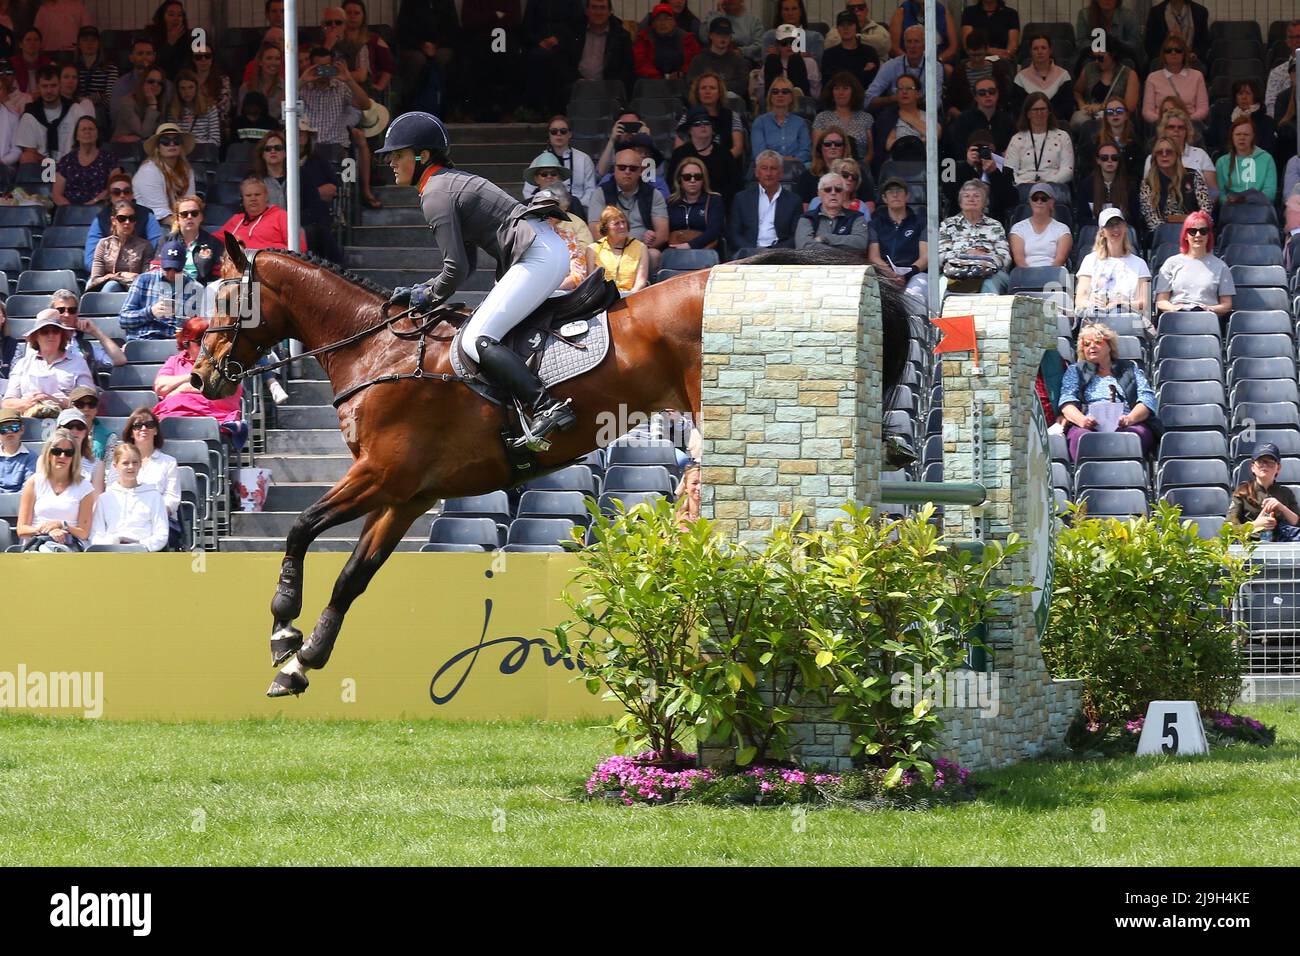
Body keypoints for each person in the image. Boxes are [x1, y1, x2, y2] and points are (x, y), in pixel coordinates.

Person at [376, 112, 577, 451]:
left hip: (538, 254)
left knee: (476, 339)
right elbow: (466, 266)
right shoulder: (446, 182)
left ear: (422, 156)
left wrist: (429, 295)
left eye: (397, 155)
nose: (391, 163)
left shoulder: (435, 194)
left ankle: (546, 405)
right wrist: (425, 288)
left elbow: (454, 270)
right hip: (544, 249)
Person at [1059, 322, 1157, 462]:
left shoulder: (1129, 368)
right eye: (1086, 344)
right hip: (1088, 423)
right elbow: (1066, 401)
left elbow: (1147, 399)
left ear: (1110, 346)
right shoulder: (1075, 370)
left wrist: (1130, 419)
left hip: (1127, 423)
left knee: (1135, 436)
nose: (1092, 346)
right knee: (1081, 438)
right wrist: (1082, 420)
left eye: (1098, 342)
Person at [300, 45, 382, 209]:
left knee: (346, 169)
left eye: (326, 67)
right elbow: (280, 107)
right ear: (311, 66)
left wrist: (349, 79)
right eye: (318, 68)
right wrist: (302, 79)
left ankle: (354, 200)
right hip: (309, 151)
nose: (323, 72)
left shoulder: (341, 87)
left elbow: (365, 105)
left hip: (338, 149)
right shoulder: (301, 88)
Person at [153, 317, 244, 433]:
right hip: (174, 418)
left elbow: (227, 389)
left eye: (209, 340)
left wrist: (181, 389)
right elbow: (160, 387)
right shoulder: (175, 361)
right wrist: (191, 377)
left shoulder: (222, 362)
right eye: (199, 341)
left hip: (211, 418)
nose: (205, 345)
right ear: (186, 343)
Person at [14, 427, 94, 552]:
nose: (62, 456)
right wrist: (48, 531)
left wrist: (62, 525)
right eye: (57, 451)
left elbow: (84, 533)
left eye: (68, 453)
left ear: (74, 457)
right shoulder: (34, 482)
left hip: (70, 546)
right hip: (37, 544)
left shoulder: (85, 488)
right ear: (49, 454)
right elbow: (22, 529)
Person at [1, 312, 93, 416]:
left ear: (62, 335)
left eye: (55, 331)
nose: (51, 335)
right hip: (27, 423)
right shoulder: (23, 364)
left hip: (66, 424)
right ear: (36, 336)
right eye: (44, 331)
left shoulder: (78, 363)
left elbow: (89, 402)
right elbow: (7, 403)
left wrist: (57, 401)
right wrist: (27, 403)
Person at [594, 146, 670, 272]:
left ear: (640, 171)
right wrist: (619, 250)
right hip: (611, 249)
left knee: (655, 254)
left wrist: (640, 247)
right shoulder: (601, 193)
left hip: (643, 250)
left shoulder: (654, 194)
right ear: (614, 169)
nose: (627, 171)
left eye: (633, 168)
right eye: (622, 167)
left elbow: (662, 235)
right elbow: (596, 232)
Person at [118, 239, 204, 341]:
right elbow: (123, 319)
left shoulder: (195, 288)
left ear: (184, 263)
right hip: (143, 340)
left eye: (177, 269)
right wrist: (151, 312)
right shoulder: (143, 280)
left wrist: (185, 327)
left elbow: (200, 325)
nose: (171, 273)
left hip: (176, 344)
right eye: (167, 268)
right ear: (161, 261)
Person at [90, 441, 169, 551]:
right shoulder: (105, 499)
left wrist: (141, 545)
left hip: (144, 556)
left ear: (140, 464)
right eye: (125, 463)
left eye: (135, 462)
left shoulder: (154, 497)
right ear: (115, 466)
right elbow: (95, 534)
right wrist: (111, 544)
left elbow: (161, 534)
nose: (131, 467)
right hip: (111, 556)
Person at [1074, 207, 1150, 320]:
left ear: (1125, 227)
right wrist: (1090, 301)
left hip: (1128, 322)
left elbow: (1144, 304)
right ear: (1102, 232)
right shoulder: (1089, 261)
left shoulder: (1140, 264)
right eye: (1110, 225)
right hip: (1096, 321)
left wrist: (1123, 304)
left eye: (1119, 224)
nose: (1115, 229)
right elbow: (1080, 300)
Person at [1154, 212, 1233, 320]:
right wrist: (1174, 309)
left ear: (1209, 235)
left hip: (1206, 319)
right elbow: (1161, 301)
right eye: (1192, 231)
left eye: (1203, 231)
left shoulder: (1221, 266)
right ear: (1185, 236)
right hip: (1176, 318)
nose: (1198, 235)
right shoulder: (1171, 263)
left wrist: (1209, 309)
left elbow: (1226, 305)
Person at [108, 406, 180, 525]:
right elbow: (111, 490)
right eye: (137, 425)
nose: (143, 428)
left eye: (149, 424)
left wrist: (155, 514)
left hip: (159, 520)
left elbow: (172, 498)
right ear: (131, 432)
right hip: (123, 518)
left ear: (156, 430)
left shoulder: (169, 462)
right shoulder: (119, 461)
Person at [938, 178, 1010, 294]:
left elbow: (1005, 258)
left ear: (985, 202)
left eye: (977, 196)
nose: (971, 199)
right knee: (941, 287)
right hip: (954, 272)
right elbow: (941, 256)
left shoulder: (995, 225)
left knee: (988, 287)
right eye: (966, 196)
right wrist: (967, 256)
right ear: (960, 202)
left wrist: (984, 260)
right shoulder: (948, 224)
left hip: (990, 274)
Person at [82, 173, 164, 273]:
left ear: (132, 194)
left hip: (140, 272)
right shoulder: (100, 219)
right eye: (116, 192)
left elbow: (158, 249)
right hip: (107, 274)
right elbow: (90, 260)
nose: (122, 195)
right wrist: (117, 275)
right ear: (110, 196)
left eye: (127, 191)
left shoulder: (146, 215)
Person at [726, 149, 801, 258]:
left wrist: (773, 252)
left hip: (780, 254)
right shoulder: (741, 198)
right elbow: (734, 234)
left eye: (773, 168)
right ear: (756, 172)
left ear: (781, 173)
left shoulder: (794, 200)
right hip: (748, 253)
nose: (769, 173)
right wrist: (753, 251)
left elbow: (796, 236)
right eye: (764, 168)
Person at [522, 116, 599, 214]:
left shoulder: (584, 159)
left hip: (577, 209)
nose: (558, 134)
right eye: (554, 131)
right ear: (549, 135)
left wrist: (574, 206)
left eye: (563, 131)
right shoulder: (538, 161)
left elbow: (590, 191)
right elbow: (528, 192)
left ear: (570, 134)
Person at [869, 176, 927, 303]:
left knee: (914, 296)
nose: (895, 194)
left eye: (899, 191)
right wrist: (890, 274)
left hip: (915, 273)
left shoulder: (921, 222)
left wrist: (907, 273)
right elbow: (874, 256)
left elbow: (925, 257)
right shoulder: (875, 224)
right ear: (884, 198)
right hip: (885, 274)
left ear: (907, 196)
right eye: (890, 192)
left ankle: (916, 324)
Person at [1228, 443, 1300, 541]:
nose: (1265, 465)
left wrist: (1282, 508)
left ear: (1278, 468)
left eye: (1270, 462)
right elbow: (1229, 528)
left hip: (1281, 547)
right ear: (1253, 467)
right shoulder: (1242, 493)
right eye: (1260, 462)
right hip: (1250, 547)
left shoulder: (1286, 493)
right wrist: (1255, 525)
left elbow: (1297, 523)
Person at [132, 122, 197, 230]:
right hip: (149, 228)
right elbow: (161, 215)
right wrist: (189, 227)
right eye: (165, 141)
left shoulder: (187, 170)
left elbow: (189, 204)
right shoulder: (149, 172)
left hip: (178, 223)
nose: (172, 144)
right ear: (158, 147)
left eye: (176, 141)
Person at [1139, 135, 1210, 232]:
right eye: (1160, 152)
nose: (1164, 155)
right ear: (1155, 157)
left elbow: (1205, 210)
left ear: (1177, 154)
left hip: (1193, 231)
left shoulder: (1193, 176)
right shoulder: (1147, 184)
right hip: (1163, 235)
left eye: (1169, 151)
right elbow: (1152, 220)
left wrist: (1191, 227)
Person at [668, 106, 738, 206]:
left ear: (712, 129)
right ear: (689, 130)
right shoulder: (680, 154)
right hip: (686, 206)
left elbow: (734, 184)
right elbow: (672, 183)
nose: (702, 126)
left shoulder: (724, 153)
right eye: (697, 124)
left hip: (720, 206)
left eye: (706, 123)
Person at [1142, 107, 1216, 199]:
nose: (1176, 130)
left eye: (1181, 127)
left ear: (1187, 131)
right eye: (1171, 127)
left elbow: (1214, 191)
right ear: (1164, 130)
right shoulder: (1152, 158)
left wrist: (1200, 211)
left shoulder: (1200, 155)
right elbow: (1147, 191)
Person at [942, 129, 1015, 221]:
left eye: (985, 149)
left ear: (993, 150)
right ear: (968, 150)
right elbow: (949, 194)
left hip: (993, 221)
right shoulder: (953, 168)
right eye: (976, 149)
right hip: (961, 220)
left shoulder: (1004, 170)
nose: (981, 153)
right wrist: (968, 166)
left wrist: (993, 173)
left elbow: (1010, 201)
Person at [1004, 91, 1073, 189]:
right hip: (1024, 187)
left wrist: (1047, 183)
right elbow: (1010, 172)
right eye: (1035, 110)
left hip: (1053, 187)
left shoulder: (1062, 136)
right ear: (1028, 114)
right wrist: (1026, 183)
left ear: (1049, 112)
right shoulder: (1017, 139)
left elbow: (1068, 171)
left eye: (1043, 109)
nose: (1039, 113)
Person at [15, 64, 80, 162]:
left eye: (53, 85)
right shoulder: (30, 114)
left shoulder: (75, 109)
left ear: (60, 85)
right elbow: (30, 152)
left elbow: (87, 144)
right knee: (26, 157)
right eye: (44, 86)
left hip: (71, 165)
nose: (49, 91)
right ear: (38, 87)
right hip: (42, 166)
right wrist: (51, 164)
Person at [1071, 36, 1137, 130]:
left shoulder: (1128, 74)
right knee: (1079, 120)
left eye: (1100, 58)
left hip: (1116, 116)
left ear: (1112, 54)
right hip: (1090, 116)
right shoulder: (1089, 68)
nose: (1097, 61)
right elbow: (1077, 91)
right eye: (1095, 58)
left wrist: (1101, 107)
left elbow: (1130, 106)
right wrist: (1082, 105)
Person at [942, 73, 1015, 158]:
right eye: (982, 93)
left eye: (991, 91)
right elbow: (956, 148)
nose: (987, 95)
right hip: (970, 166)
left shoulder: (1007, 120)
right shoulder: (963, 120)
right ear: (975, 97)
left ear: (997, 94)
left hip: (1000, 166)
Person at [677, 70, 743, 161]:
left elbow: (738, 148)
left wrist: (720, 162)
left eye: (712, 88)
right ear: (697, 92)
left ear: (719, 93)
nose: (707, 91)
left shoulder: (732, 116)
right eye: (703, 88)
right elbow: (678, 147)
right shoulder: (687, 117)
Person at [88, 200, 153, 293]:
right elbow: (95, 279)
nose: (127, 222)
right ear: (114, 221)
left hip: (134, 290)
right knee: (111, 285)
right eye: (122, 218)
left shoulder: (145, 246)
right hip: (107, 288)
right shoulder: (103, 244)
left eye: (131, 218)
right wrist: (120, 275)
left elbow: (146, 278)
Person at [944, 29, 1012, 117]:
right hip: (965, 118)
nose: (977, 59)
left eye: (980, 55)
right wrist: (962, 117)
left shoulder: (997, 71)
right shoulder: (959, 72)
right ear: (967, 51)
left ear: (986, 49)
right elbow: (949, 104)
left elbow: (1004, 101)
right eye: (973, 55)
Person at [536, 182, 591, 291]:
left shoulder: (568, 237)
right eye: (542, 210)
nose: (547, 214)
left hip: (561, 293)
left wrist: (551, 291)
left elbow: (578, 274)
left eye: (552, 210)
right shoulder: (524, 236)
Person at [572, 0, 634, 97]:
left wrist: (608, 87)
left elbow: (627, 69)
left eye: (602, 8)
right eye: (594, 7)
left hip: (609, 94)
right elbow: (565, 62)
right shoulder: (573, 33)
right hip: (576, 91)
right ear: (586, 11)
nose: (598, 12)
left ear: (610, 12)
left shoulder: (622, 37)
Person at [1142, 36, 1207, 126]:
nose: (1173, 53)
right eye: (1168, 50)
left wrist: (1186, 120)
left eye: (1178, 50)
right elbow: (1147, 111)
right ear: (1163, 55)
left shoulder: (1197, 76)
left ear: (1184, 54)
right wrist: (1164, 121)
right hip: (1161, 125)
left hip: (1190, 124)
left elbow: (1203, 109)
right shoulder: (1152, 77)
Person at [864, 24, 931, 112]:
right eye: (909, 41)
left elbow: (937, 103)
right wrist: (892, 99)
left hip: (925, 113)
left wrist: (911, 100)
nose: (912, 46)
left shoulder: (935, 67)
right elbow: (868, 98)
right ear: (904, 44)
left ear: (925, 44)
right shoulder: (890, 65)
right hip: (895, 112)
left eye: (916, 41)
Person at [53, 114, 115, 207]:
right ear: (76, 136)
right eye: (83, 129)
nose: (87, 132)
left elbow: (114, 187)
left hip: (100, 209)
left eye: (91, 129)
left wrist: (93, 203)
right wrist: (74, 210)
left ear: (97, 134)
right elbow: (57, 195)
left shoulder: (109, 158)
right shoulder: (66, 161)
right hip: (70, 213)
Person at [159, 194, 223, 284]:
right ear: (177, 219)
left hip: (204, 291)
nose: (189, 217)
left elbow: (219, 274)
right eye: (184, 214)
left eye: (194, 213)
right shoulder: (166, 241)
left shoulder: (214, 243)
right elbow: (156, 270)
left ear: (201, 217)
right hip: (171, 288)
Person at [795, 172, 868, 251]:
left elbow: (861, 243)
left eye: (838, 190)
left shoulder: (856, 217)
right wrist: (842, 251)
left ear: (844, 194)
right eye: (827, 189)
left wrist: (826, 238)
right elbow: (804, 247)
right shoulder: (807, 218)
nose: (833, 193)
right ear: (819, 194)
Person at [1215, 116, 1278, 205]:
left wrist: (1247, 200)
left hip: (1259, 211)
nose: (1242, 138)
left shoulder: (1267, 159)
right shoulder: (1221, 162)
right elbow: (1220, 193)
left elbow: (1270, 192)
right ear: (1232, 137)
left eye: (1246, 134)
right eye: (1238, 134)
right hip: (1232, 211)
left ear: (1253, 136)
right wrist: (1229, 201)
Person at [688, 17, 751, 106]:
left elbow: (741, 86)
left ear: (731, 37)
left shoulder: (739, 61)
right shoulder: (698, 61)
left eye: (727, 34)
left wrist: (712, 88)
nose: (723, 38)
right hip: (703, 107)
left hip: (732, 106)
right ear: (710, 35)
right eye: (719, 34)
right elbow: (692, 85)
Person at [587, 204, 649, 295]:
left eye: (623, 222)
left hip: (631, 297)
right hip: (602, 298)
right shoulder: (593, 249)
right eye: (616, 223)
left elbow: (641, 282)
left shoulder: (641, 247)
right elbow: (591, 283)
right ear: (605, 228)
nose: (622, 226)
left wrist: (628, 296)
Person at [665, 156, 724, 251]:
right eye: (687, 177)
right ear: (680, 180)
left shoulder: (714, 200)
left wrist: (690, 245)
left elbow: (714, 230)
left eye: (698, 177)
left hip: (705, 252)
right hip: (675, 251)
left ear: (703, 179)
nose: (692, 180)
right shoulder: (671, 202)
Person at [1074, 140, 1137, 228]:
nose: (1110, 161)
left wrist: (1115, 226)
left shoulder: (1129, 186)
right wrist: (1105, 226)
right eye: (1104, 158)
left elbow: (1134, 218)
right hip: (1095, 231)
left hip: (1121, 231)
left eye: (1114, 158)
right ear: (1098, 160)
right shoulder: (1086, 186)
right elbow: (1082, 218)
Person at [814, 71, 873, 162]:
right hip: (829, 168)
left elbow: (870, 153)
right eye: (836, 88)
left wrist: (856, 168)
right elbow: (816, 152)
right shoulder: (822, 118)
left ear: (853, 92)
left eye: (845, 88)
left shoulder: (867, 118)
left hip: (859, 168)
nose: (840, 93)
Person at [1013, 33, 1072, 123]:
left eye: (1043, 48)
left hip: (1057, 124)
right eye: (1035, 48)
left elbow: (1067, 107)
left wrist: (1048, 120)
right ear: (1030, 51)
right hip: (1029, 124)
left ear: (1050, 50)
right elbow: (1017, 108)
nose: (1039, 52)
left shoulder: (1063, 76)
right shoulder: (1020, 78)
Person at [751, 77, 810, 164]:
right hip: (768, 168)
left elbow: (806, 152)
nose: (780, 95)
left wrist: (790, 161)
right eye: (775, 92)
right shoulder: (760, 122)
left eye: (785, 91)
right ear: (770, 97)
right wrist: (783, 160)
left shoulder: (801, 123)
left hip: (796, 168)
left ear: (791, 97)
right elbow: (759, 154)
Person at [1208, 79, 1275, 155]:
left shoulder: (1267, 122)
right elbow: (1213, 142)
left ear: (1255, 96)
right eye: (1240, 94)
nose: (1244, 97)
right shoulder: (1224, 118)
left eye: (1248, 93)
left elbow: (1267, 149)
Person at [1010, 185, 1071, 268]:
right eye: (1035, 198)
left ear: (1051, 202)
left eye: (1044, 198)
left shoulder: (1063, 229)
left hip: (1054, 275)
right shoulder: (1018, 228)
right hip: (1025, 275)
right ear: (1030, 201)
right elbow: (1019, 259)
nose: (1039, 201)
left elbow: (1060, 260)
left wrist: (1045, 276)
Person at [635, 3, 701, 80]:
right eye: (658, 19)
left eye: (667, 19)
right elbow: (640, 64)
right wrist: (663, 77)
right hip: (652, 81)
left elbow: (694, 61)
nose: (663, 23)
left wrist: (681, 73)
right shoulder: (644, 38)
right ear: (653, 23)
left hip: (681, 80)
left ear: (674, 22)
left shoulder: (687, 38)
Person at [819, 10, 879, 93]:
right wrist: (862, 73)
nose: (846, 28)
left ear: (856, 27)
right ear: (837, 29)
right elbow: (829, 84)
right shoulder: (829, 55)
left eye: (850, 24)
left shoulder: (869, 53)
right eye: (842, 25)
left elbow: (871, 84)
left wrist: (842, 75)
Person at [889, 0, 958, 68]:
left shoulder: (942, 11)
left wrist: (937, 60)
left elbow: (953, 47)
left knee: (948, 69)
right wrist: (911, 61)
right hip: (909, 61)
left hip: (937, 60)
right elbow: (895, 47)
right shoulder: (902, 11)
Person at [1143, 0, 1210, 70]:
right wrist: (1165, 55)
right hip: (1164, 60)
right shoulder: (1156, 12)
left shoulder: (1200, 11)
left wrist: (1195, 54)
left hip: (1191, 60)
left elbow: (1205, 42)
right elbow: (1149, 44)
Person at [523, 152, 587, 223]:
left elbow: (582, 228)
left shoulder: (574, 202)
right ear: (536, 179)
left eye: (553, 174)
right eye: (544, 174)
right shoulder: (526, 205)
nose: (549, 177)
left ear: (559, 177)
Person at [1075, 0, 1142, 69]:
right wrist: (1097, 50)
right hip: (1093, 55)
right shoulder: (1084, 14)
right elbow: (1081, 41)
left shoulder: (1129, 15)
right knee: (1088, 63)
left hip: (1120, 55)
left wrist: (1113, 50)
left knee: (1127, 63)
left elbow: (1134, 44)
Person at [73, 25, 117, 125]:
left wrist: (86, 100)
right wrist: (98, 96)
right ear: (79, 44)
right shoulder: (73, 68)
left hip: (100, 113)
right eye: (85, 40)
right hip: (76, 108)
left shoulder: (110, 68)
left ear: (98, 44)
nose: (89, 43)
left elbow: (109, 98)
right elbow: (68, 94)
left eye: (93, 40)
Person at [696, 0, 764, 64]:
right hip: (715, 55)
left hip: (741, 58)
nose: (729, 0)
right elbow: (703, 38)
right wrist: (718, 14)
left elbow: (759, 45)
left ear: (741, 0)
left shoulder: (754, 21)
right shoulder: (712, 15)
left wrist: (741, 51)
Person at [110, 64, 164, 146]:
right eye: (151, 81)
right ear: (142, 83)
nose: (155, 85)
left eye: (160, 83)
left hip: (148, 149)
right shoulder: (127, 102)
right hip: (123, 150)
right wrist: (152, 105)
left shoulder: (161, 103)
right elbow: (144, 133)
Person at [883, 73, 931, 159]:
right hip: (897, 164)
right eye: (900, 88)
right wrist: (918, 140)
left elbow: (934, 136)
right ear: (896, 93)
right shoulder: (888, 116)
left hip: (924, 164)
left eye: (909, 88)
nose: (904, 92)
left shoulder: (929, 116)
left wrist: (909, 118)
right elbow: (888, 145)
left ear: (918, 93)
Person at [168, 69, 221, 146]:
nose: (187, 92)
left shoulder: (210, 108)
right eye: (183, 88)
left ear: (197, 88)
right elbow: (171, 139)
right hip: (181, 153)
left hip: (203, 152)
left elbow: (216, 140)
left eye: (191, 87)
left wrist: (194, 143)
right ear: (177, 90)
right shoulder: (172, 110)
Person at [191, 42, 231, 144]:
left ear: (212, 58)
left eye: (207, 56)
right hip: (192, 128)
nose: (203, 60)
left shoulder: (223, 81)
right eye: (198, 57)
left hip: (217, 128)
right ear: (193, 60)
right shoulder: (188, 81)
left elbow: (224, 108)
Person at [824, 1, 891, 62]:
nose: (856, 10)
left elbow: (884, 45)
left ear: (867, 10)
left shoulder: (876, 28)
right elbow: (829, 45)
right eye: (852, 8)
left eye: (861, 7)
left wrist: (853, 38)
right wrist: (867, 41)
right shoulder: (837, 28)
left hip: (873, 68)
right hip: (845, 67)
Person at [239, 42, 286, 123]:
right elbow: (240, 119)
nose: (274, 62)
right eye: (269, 58)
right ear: (260, 62)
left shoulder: (286, 87)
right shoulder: (246, 88)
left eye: (277, 59)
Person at [1265, 20, 1300, 117]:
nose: (1297, 41)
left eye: (1299, 36)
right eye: (1292, 38)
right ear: (1287, 42)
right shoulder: (1277, 73)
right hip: (1285, 125)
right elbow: (1271, 106)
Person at [148, 0, 192, 77]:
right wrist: (170, 43)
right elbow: (152, 63)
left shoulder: (187, 36)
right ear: (162, 16)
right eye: (171, 15)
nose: (176, 18)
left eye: (179, 15)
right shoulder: (151, 34)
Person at [66, 384, 110, 459]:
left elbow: (110, 468)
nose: (86, 409)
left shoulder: (109, 437)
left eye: (92, 404)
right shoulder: (60, 435)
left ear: (96, 408)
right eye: (80, 404)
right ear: (70, 407)